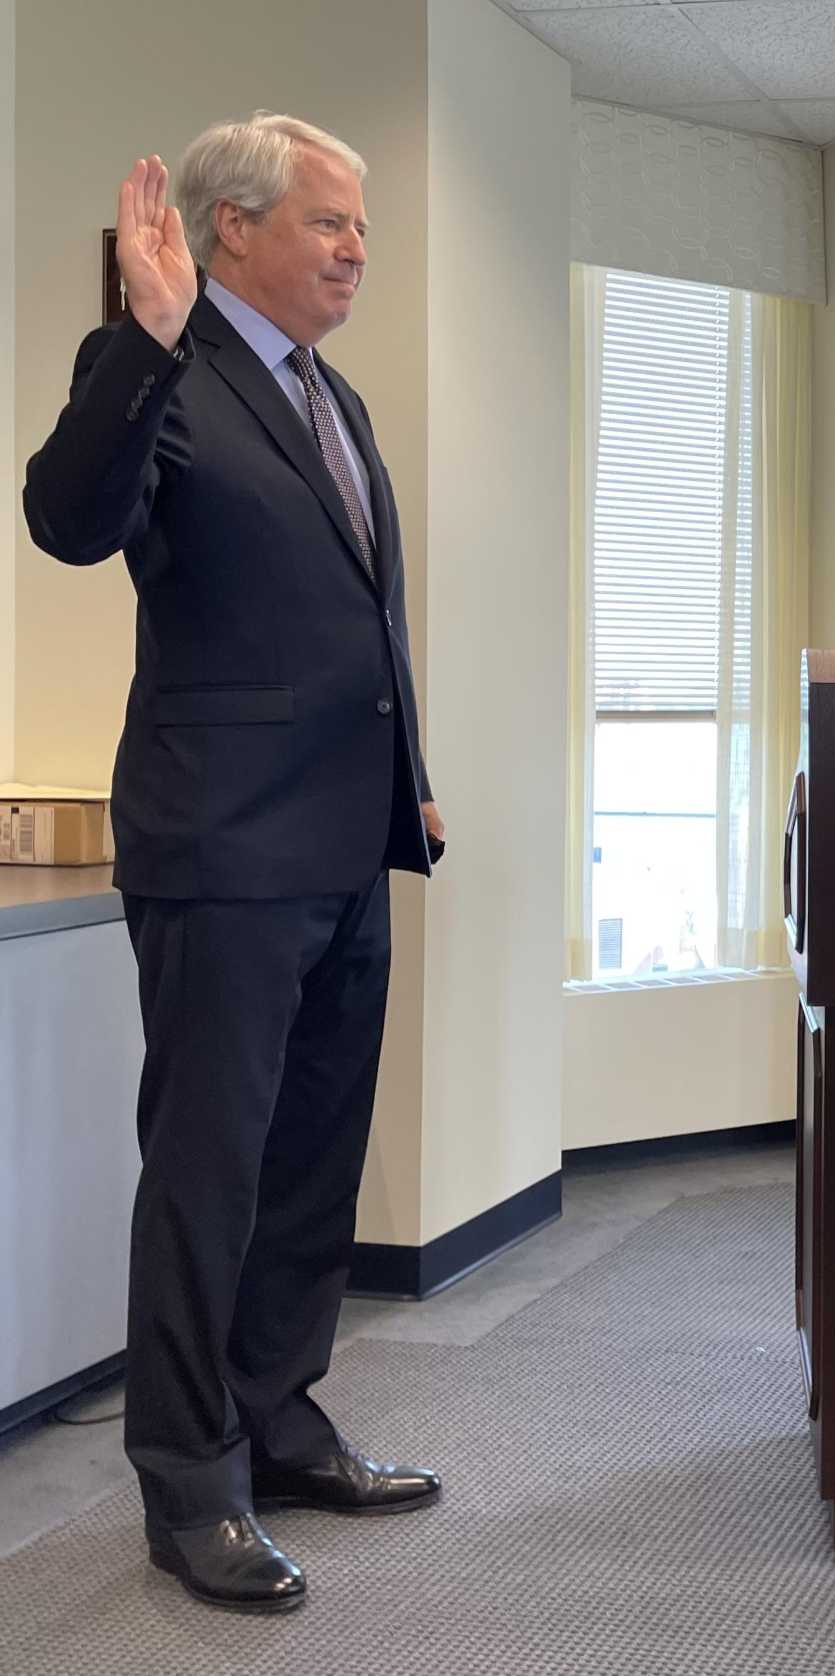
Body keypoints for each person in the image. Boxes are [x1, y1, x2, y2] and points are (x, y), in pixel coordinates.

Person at [23, 114, 446, 1615]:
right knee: (209, 1172)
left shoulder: (338, 403)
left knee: (311, 1163)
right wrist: (138, 340)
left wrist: (415, 788)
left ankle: (279, 1418)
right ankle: (188, 1483)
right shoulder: (154, 368)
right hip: (221, 848)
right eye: (330, 223)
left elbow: (360, 625)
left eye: (361, 229)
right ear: (231, 232)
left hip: (345, 845)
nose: (354, 250)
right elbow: (69, 522)